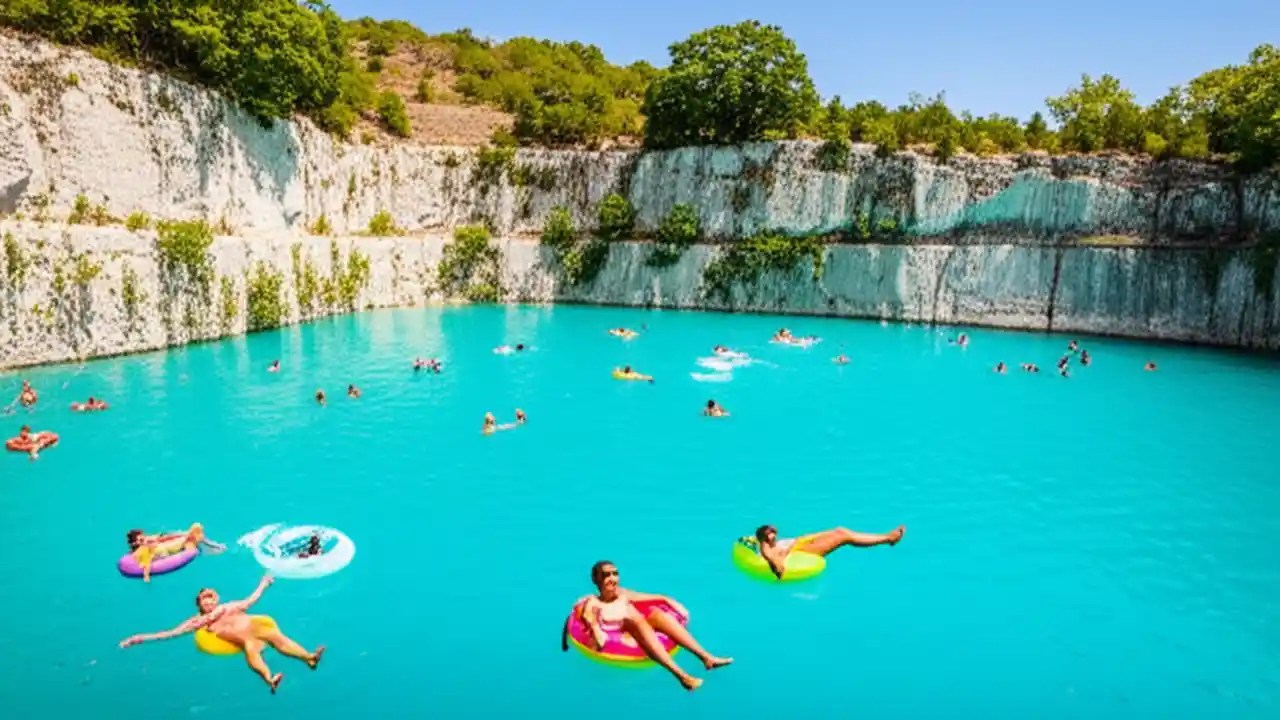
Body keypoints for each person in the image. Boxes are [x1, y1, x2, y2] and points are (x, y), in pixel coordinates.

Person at [118, 574, 325, 694]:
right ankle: (269, 678)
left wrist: (264, 583)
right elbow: (170, 633)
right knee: (248, 643)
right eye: (204, 600)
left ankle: (309, 658)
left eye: (210, 598)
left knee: (274, 635)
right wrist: (138, 639)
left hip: (252, 625)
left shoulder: (230, 607)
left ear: (216, 600)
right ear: (199, 604)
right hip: (234, 635)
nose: (208, 602)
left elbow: (251, 600)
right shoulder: (198, 621)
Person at [574, 561, 731, 691]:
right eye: (606, 575)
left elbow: (650, 597)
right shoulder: (592, 604)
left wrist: (668, 600)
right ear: (595, 579)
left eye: (615, 573)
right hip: (623, 635)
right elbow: (598, 638)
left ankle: (706, 657)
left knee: (655, 613)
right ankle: (683, 677)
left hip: (639, 628)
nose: (612, 578)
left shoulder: (622, 593)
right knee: (633, 619)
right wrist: (594, 627)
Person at [754, 523, 905, 580]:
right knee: (844, 537)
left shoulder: (771, 543)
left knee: (840, 530)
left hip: (800, 542)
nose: (773, 535)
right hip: (800, 551)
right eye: (769, 535)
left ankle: (887, 537)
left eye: (773, 532)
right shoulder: (766, 548)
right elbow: (771, 557)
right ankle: (889, 538)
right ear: (764, 539)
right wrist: (777, 567)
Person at [126, 523, 226, 583]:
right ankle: (215, 546)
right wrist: (146, 576)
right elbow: (147, 563)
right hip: (169, 550)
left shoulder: (148, 542)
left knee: (191, 538)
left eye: (144, 537)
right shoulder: (144, 550)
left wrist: (180, 534)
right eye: (141, 539)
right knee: (192, 539)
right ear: (136, 542)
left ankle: (213, 546)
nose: (145, 538)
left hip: (169, 547)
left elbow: (162, 538)